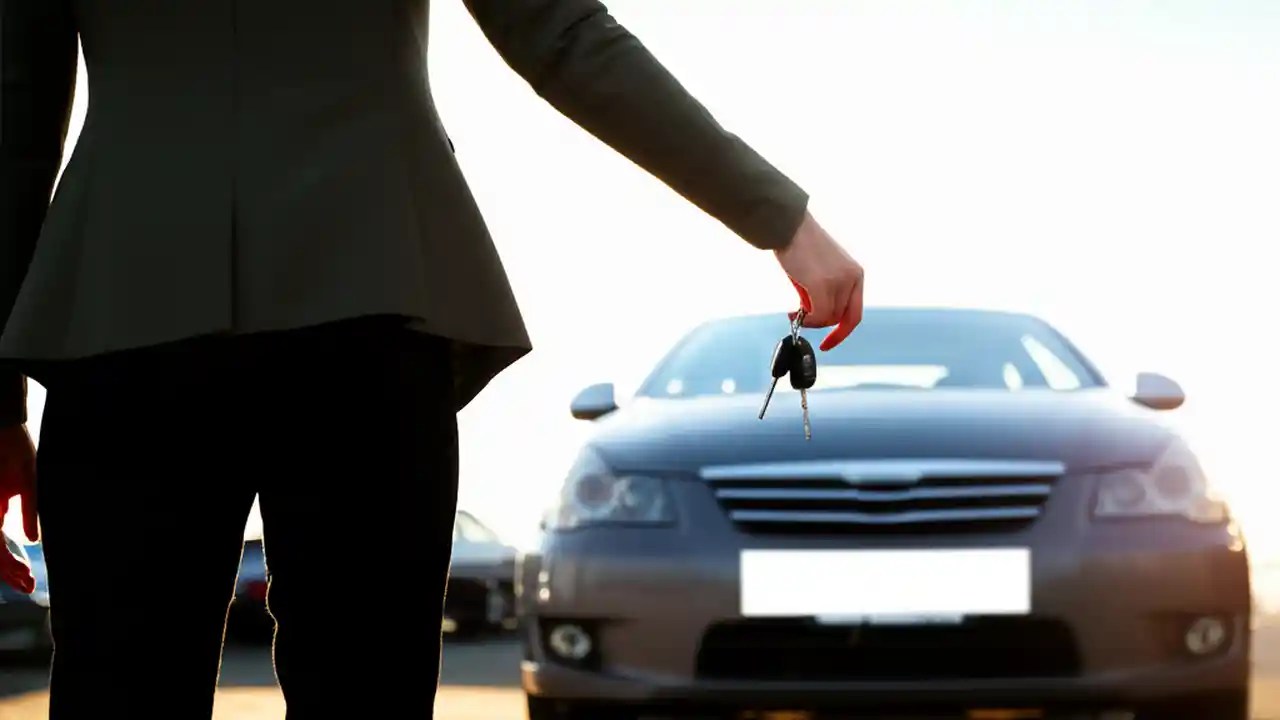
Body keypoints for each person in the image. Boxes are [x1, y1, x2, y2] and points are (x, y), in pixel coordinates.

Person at [0, 1, 864, 717]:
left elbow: (15, 126)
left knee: (118, 690)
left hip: (123, 310)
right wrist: (777, 216)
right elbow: (560, 34)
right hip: (368, 306)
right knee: (366, 692)